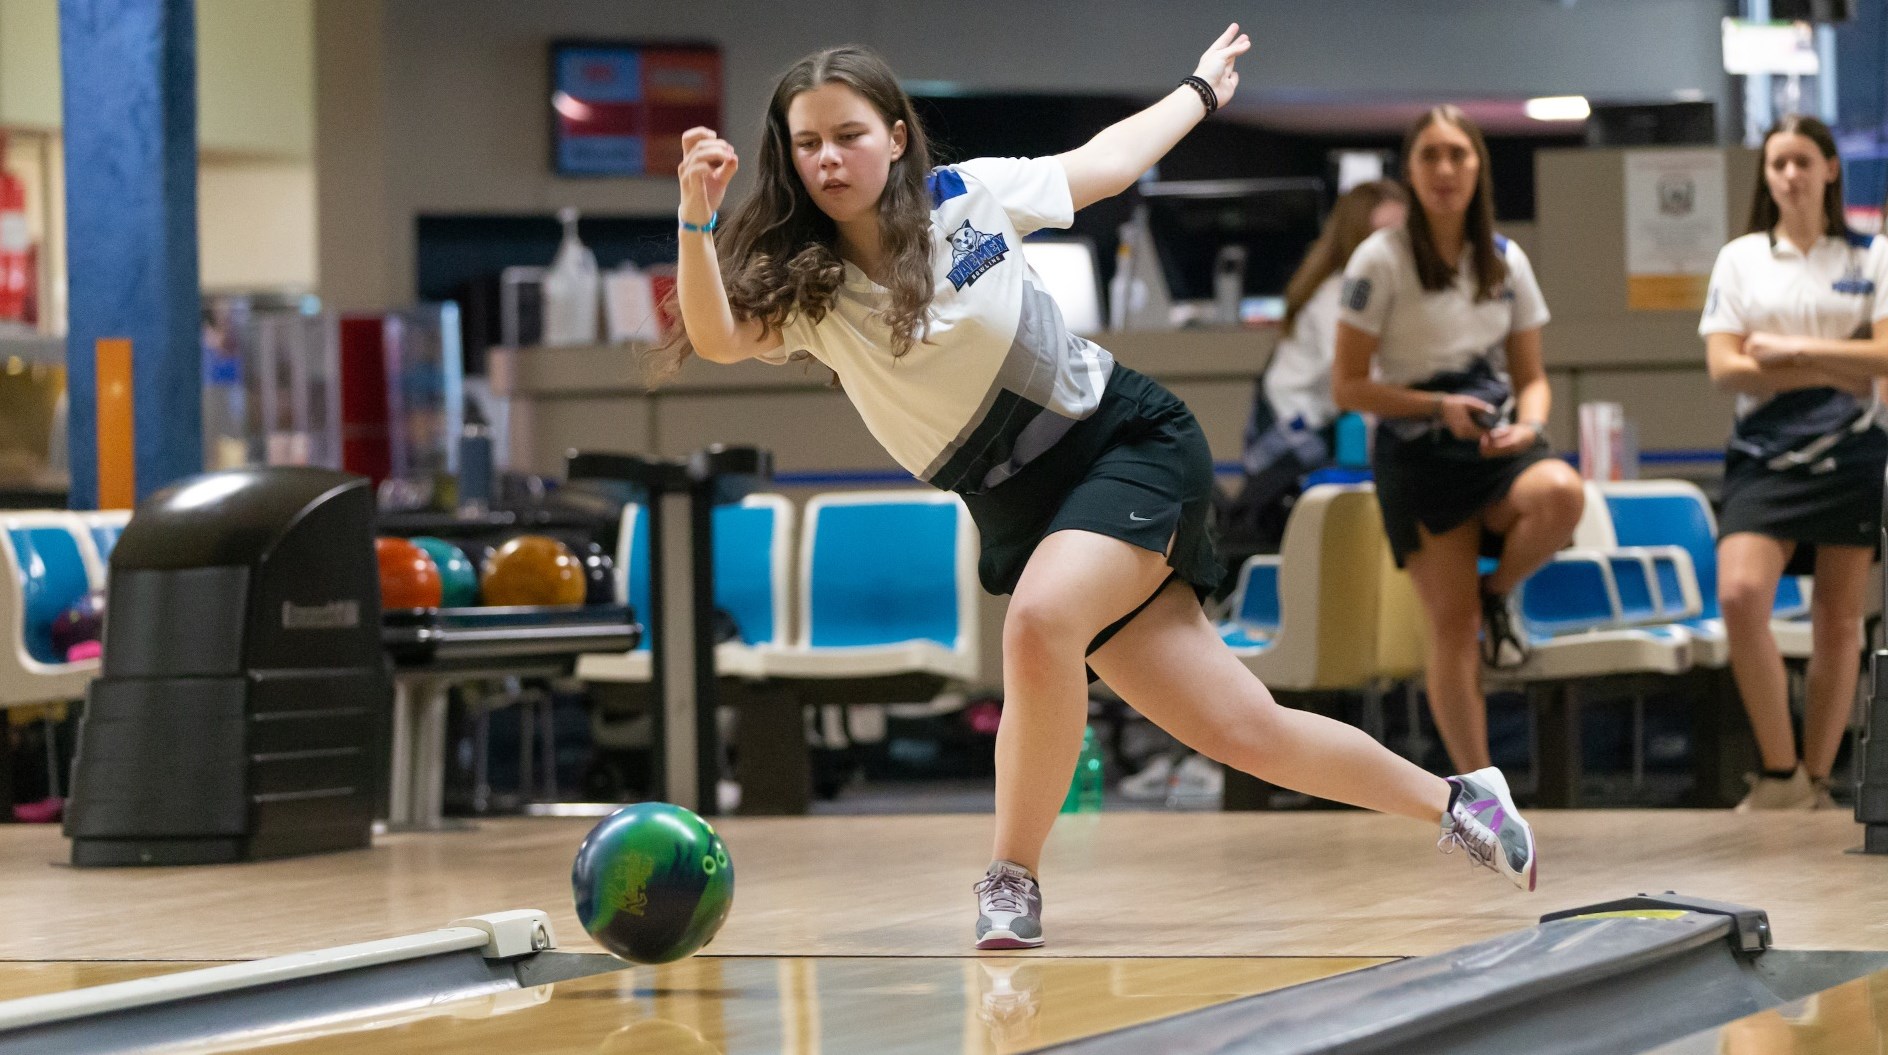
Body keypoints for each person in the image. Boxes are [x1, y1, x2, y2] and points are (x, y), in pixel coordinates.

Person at [663, 31, 1538, 951]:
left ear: (893, 135)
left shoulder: (970, 199)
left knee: (1040, 622)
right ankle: (1462, 801)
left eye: (848, 134)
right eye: (808, 144)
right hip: (1022, 507)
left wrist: (1200, 89)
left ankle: (1011, 874)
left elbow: (1107, 164)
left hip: (1123, 445)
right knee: (1244, 727)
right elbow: (717, 336)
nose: (829, 157)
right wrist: (696, 217)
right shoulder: (812, 286)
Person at [1331, 106, 1585, 775]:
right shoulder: (1378, 259)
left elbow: (1533, 380)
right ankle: (1481, 792)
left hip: (1493, 441)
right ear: (1410, 171)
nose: (1445, 170)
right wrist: (1438, 405)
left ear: (1479, 167)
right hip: (1419, 451)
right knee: (1451, 625)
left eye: (1459, 156)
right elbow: (1348, 387)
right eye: (1430, 157)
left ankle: (1499, 592)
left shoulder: (1505, 257)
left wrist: (1528, 424)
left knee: (1561, 491)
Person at [1699, 114, 1888, 811]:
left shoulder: (1872, 256)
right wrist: (1842, 360)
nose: (1790, 174)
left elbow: (1886, 360)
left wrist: (1790, 351)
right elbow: (1726, 369)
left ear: (1830, 169)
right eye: (1778, 163)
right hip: (1763, 455)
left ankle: (1817, 777)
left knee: (1838, 618)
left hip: (1852, 452)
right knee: (1741, 594)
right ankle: (1779, 775)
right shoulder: (1741, 258)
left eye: (1804, 160)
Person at [1219, 180, 1409, 556]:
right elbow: (1361, 381)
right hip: (1290, 440)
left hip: (1331, 429)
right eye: (1384, 235)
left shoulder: (1382, 292)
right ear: (1358, 239)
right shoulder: (1339, 295)